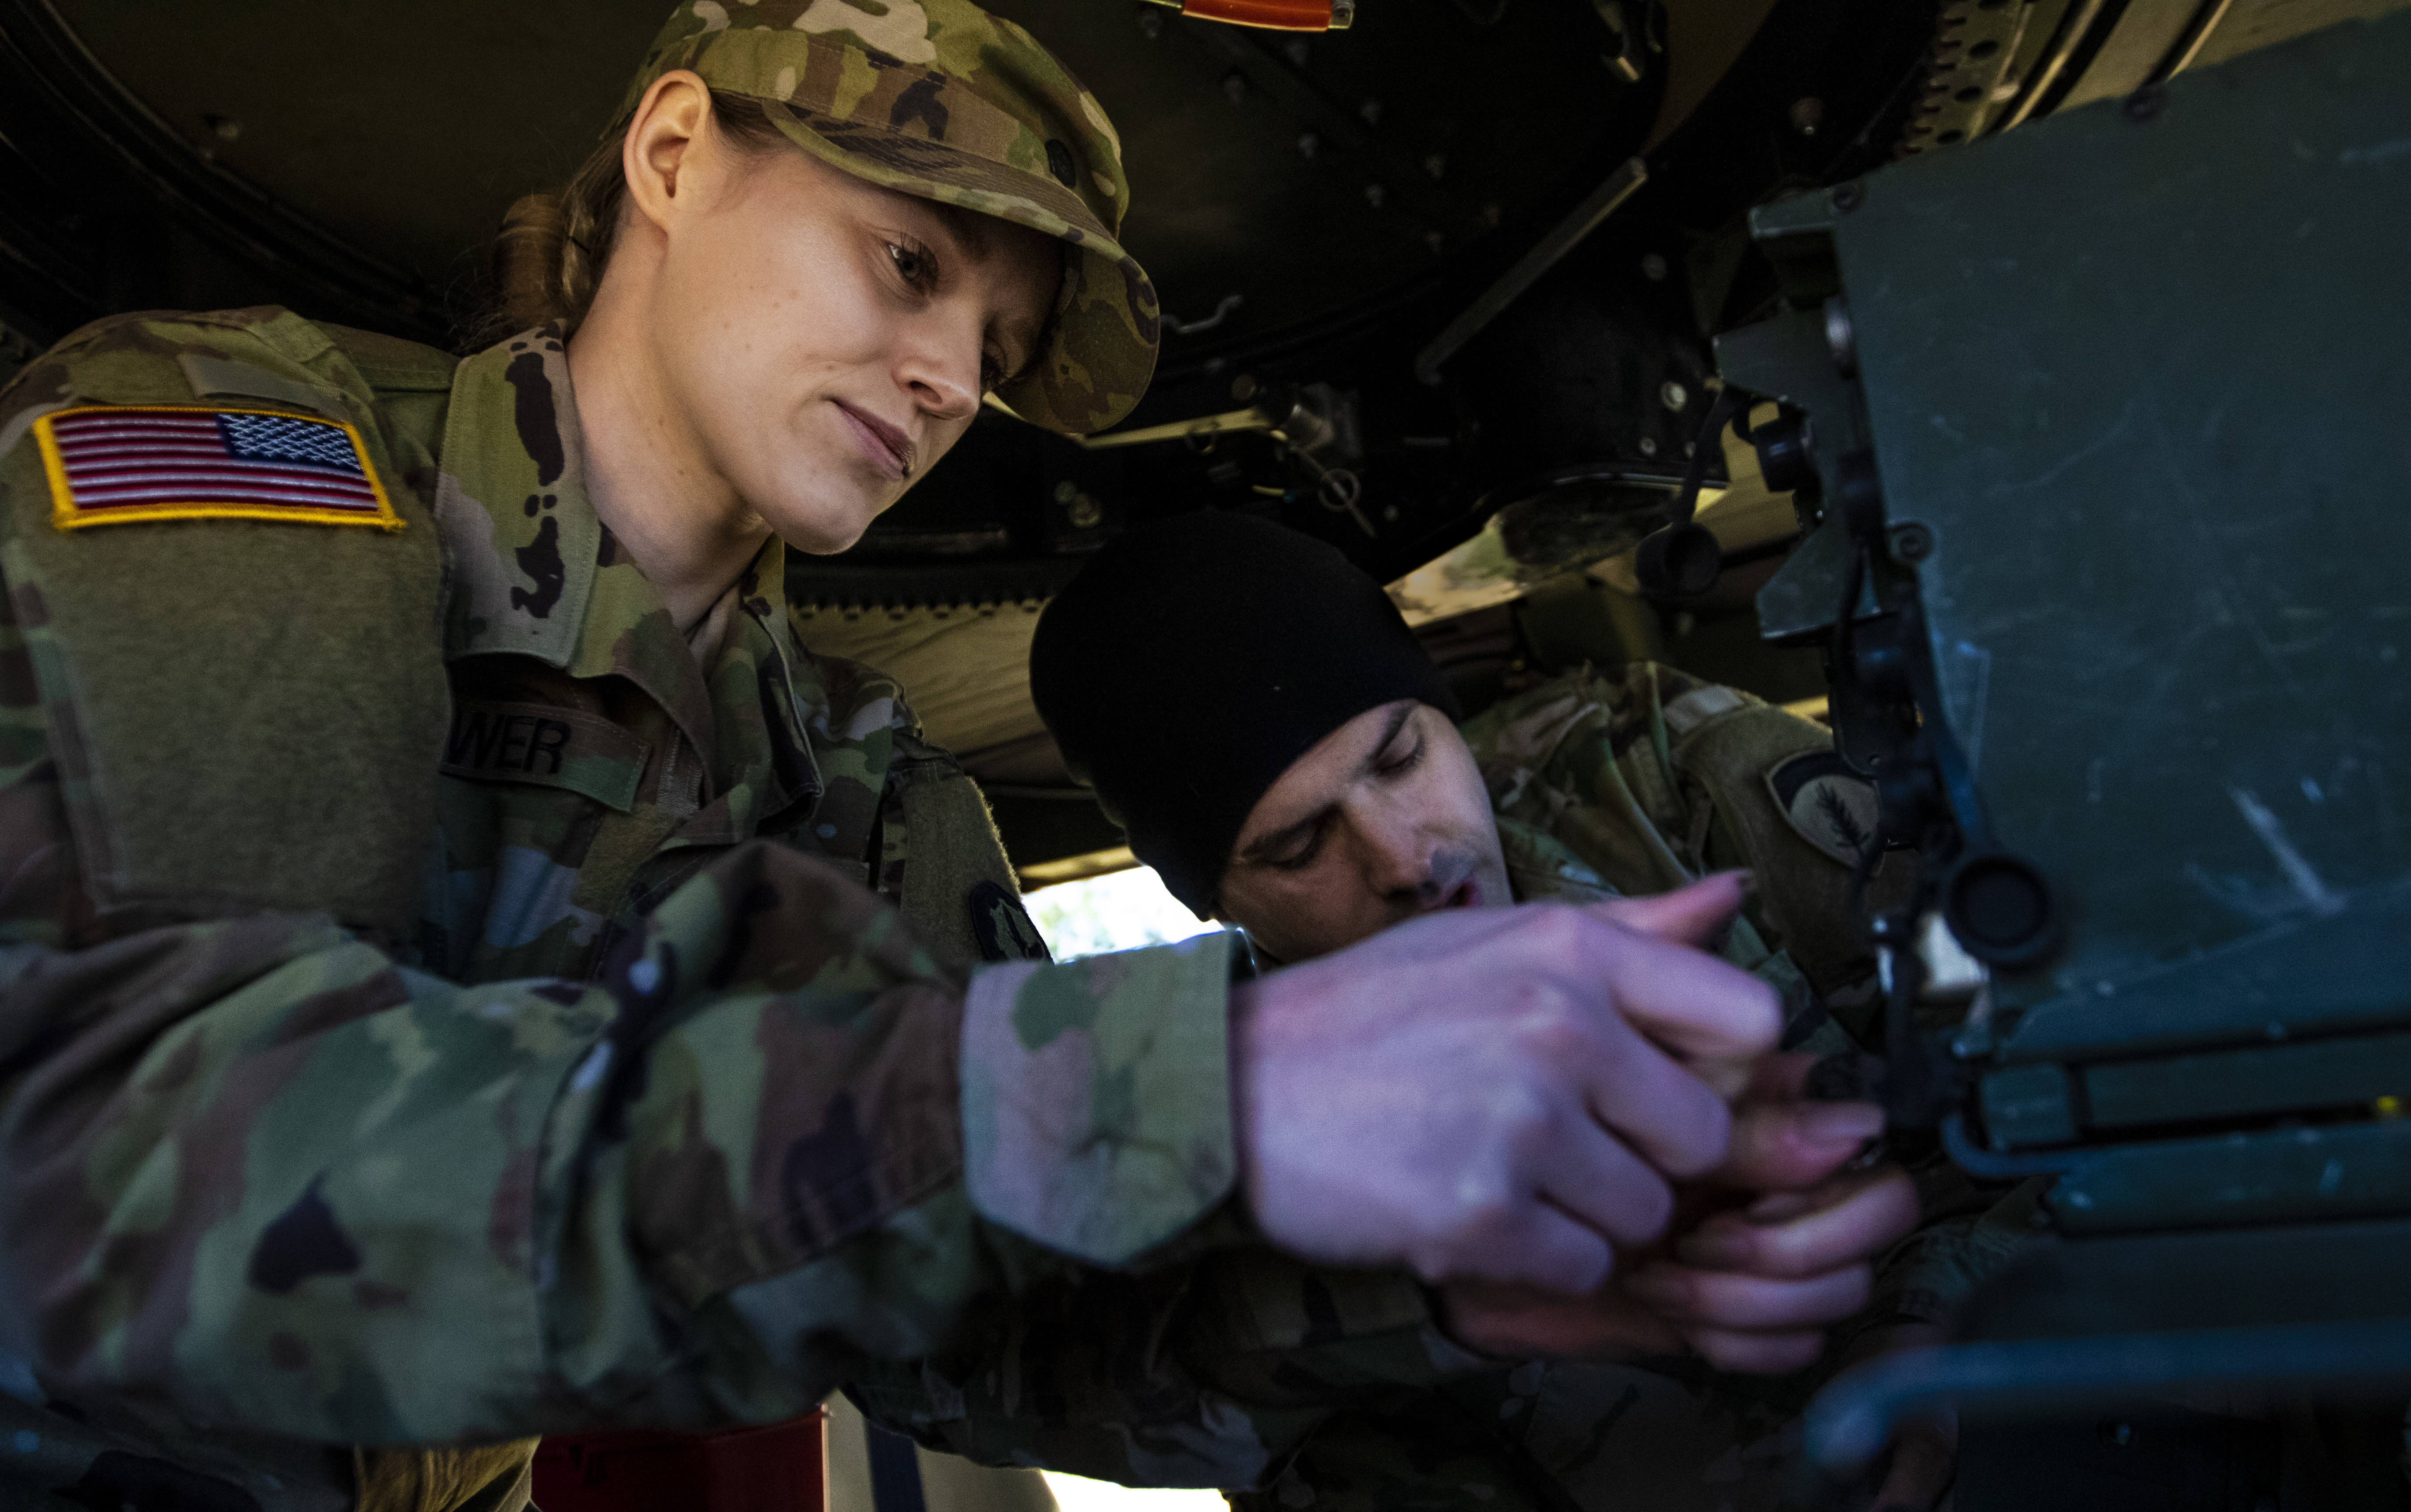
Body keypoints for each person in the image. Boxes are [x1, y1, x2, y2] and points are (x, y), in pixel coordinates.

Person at [0, 6, 1878, 1511]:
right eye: (907, 262)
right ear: (673, 154)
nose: (952, 379)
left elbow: (966, 1323)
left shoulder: (845, 773)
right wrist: (1197, 1087)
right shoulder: (261, 443)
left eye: (996, 338)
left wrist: (1437, 1290)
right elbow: (133, 1148)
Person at [909, 509, 1977, 1511]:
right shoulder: (1218, 1149)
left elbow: (2069, 1053)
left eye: (1401, 759)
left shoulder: (1653, 779)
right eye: (1297, 846)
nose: (1406, 859)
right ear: (1216, 902)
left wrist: (1931, 1327)